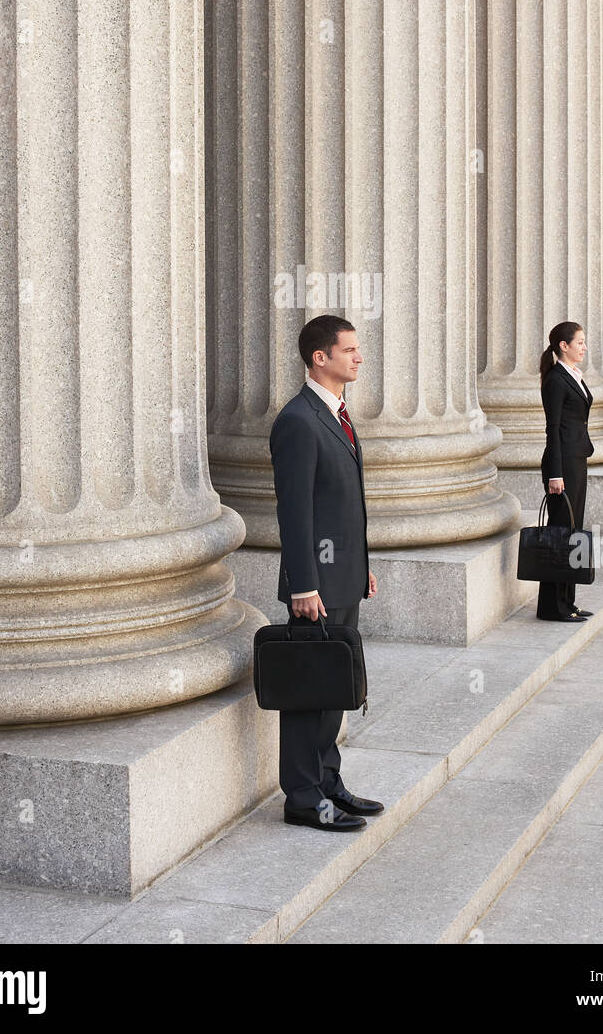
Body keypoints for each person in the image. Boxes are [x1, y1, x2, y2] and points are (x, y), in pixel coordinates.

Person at [269, 314, 382, 832]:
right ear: (321, 357)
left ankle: (329, 781)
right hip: (314, 584)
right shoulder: (297, 420)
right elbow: (295, 513)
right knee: (307, 690)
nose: (359, 357)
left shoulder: (337, 413)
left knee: (333, 684)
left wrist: (361, 567)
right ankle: (303, 796)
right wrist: (304, 584)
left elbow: (341, 503)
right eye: (350, 350)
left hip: (342, 574)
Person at [538, 321, 595, 622]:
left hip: (577, 460)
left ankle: (568, 602)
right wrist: (555, 474)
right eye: (580, 342)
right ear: (564, 345)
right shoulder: (557, 380)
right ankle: (553, 606)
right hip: (563, 467)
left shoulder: (573, 375)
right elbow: (554, 429)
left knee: (572, 533)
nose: (584, 347)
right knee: (560, 534)